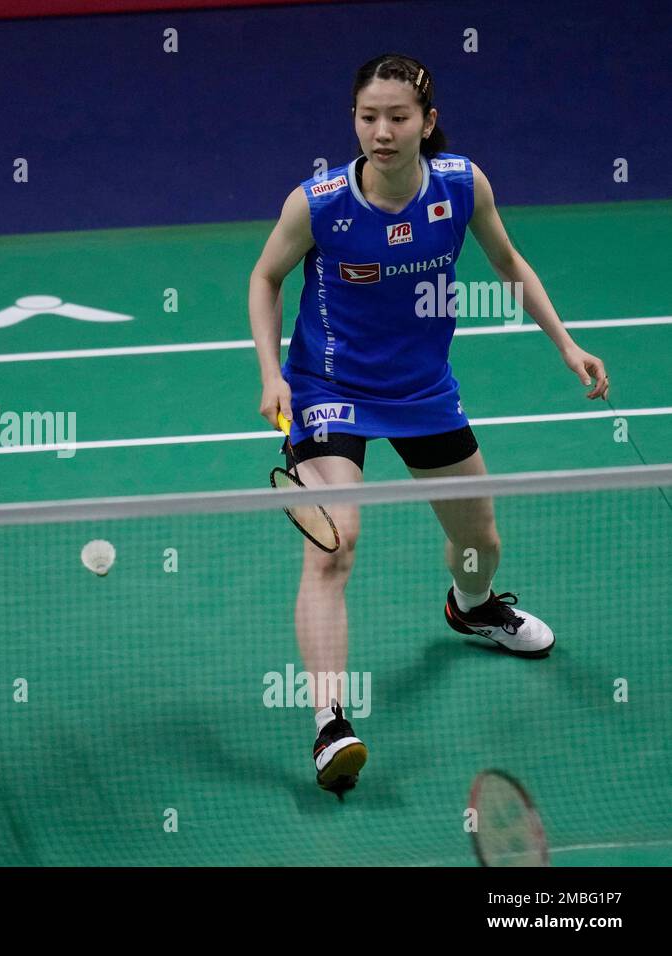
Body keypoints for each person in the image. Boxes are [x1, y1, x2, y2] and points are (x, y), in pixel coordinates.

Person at [247, 55, 610, 791]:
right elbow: (265, 277)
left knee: (479, 541)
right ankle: (330, 726)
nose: (381, 132)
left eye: (398, 117)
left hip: (421, 392)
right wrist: (271, 373)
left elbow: (509, 261)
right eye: (367, 116)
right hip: (329, 388)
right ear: (353, 119)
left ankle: (472, 607)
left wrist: (566, 343)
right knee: (335, 542)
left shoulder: (459, 186)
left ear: (428, 122)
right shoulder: (318, 204)